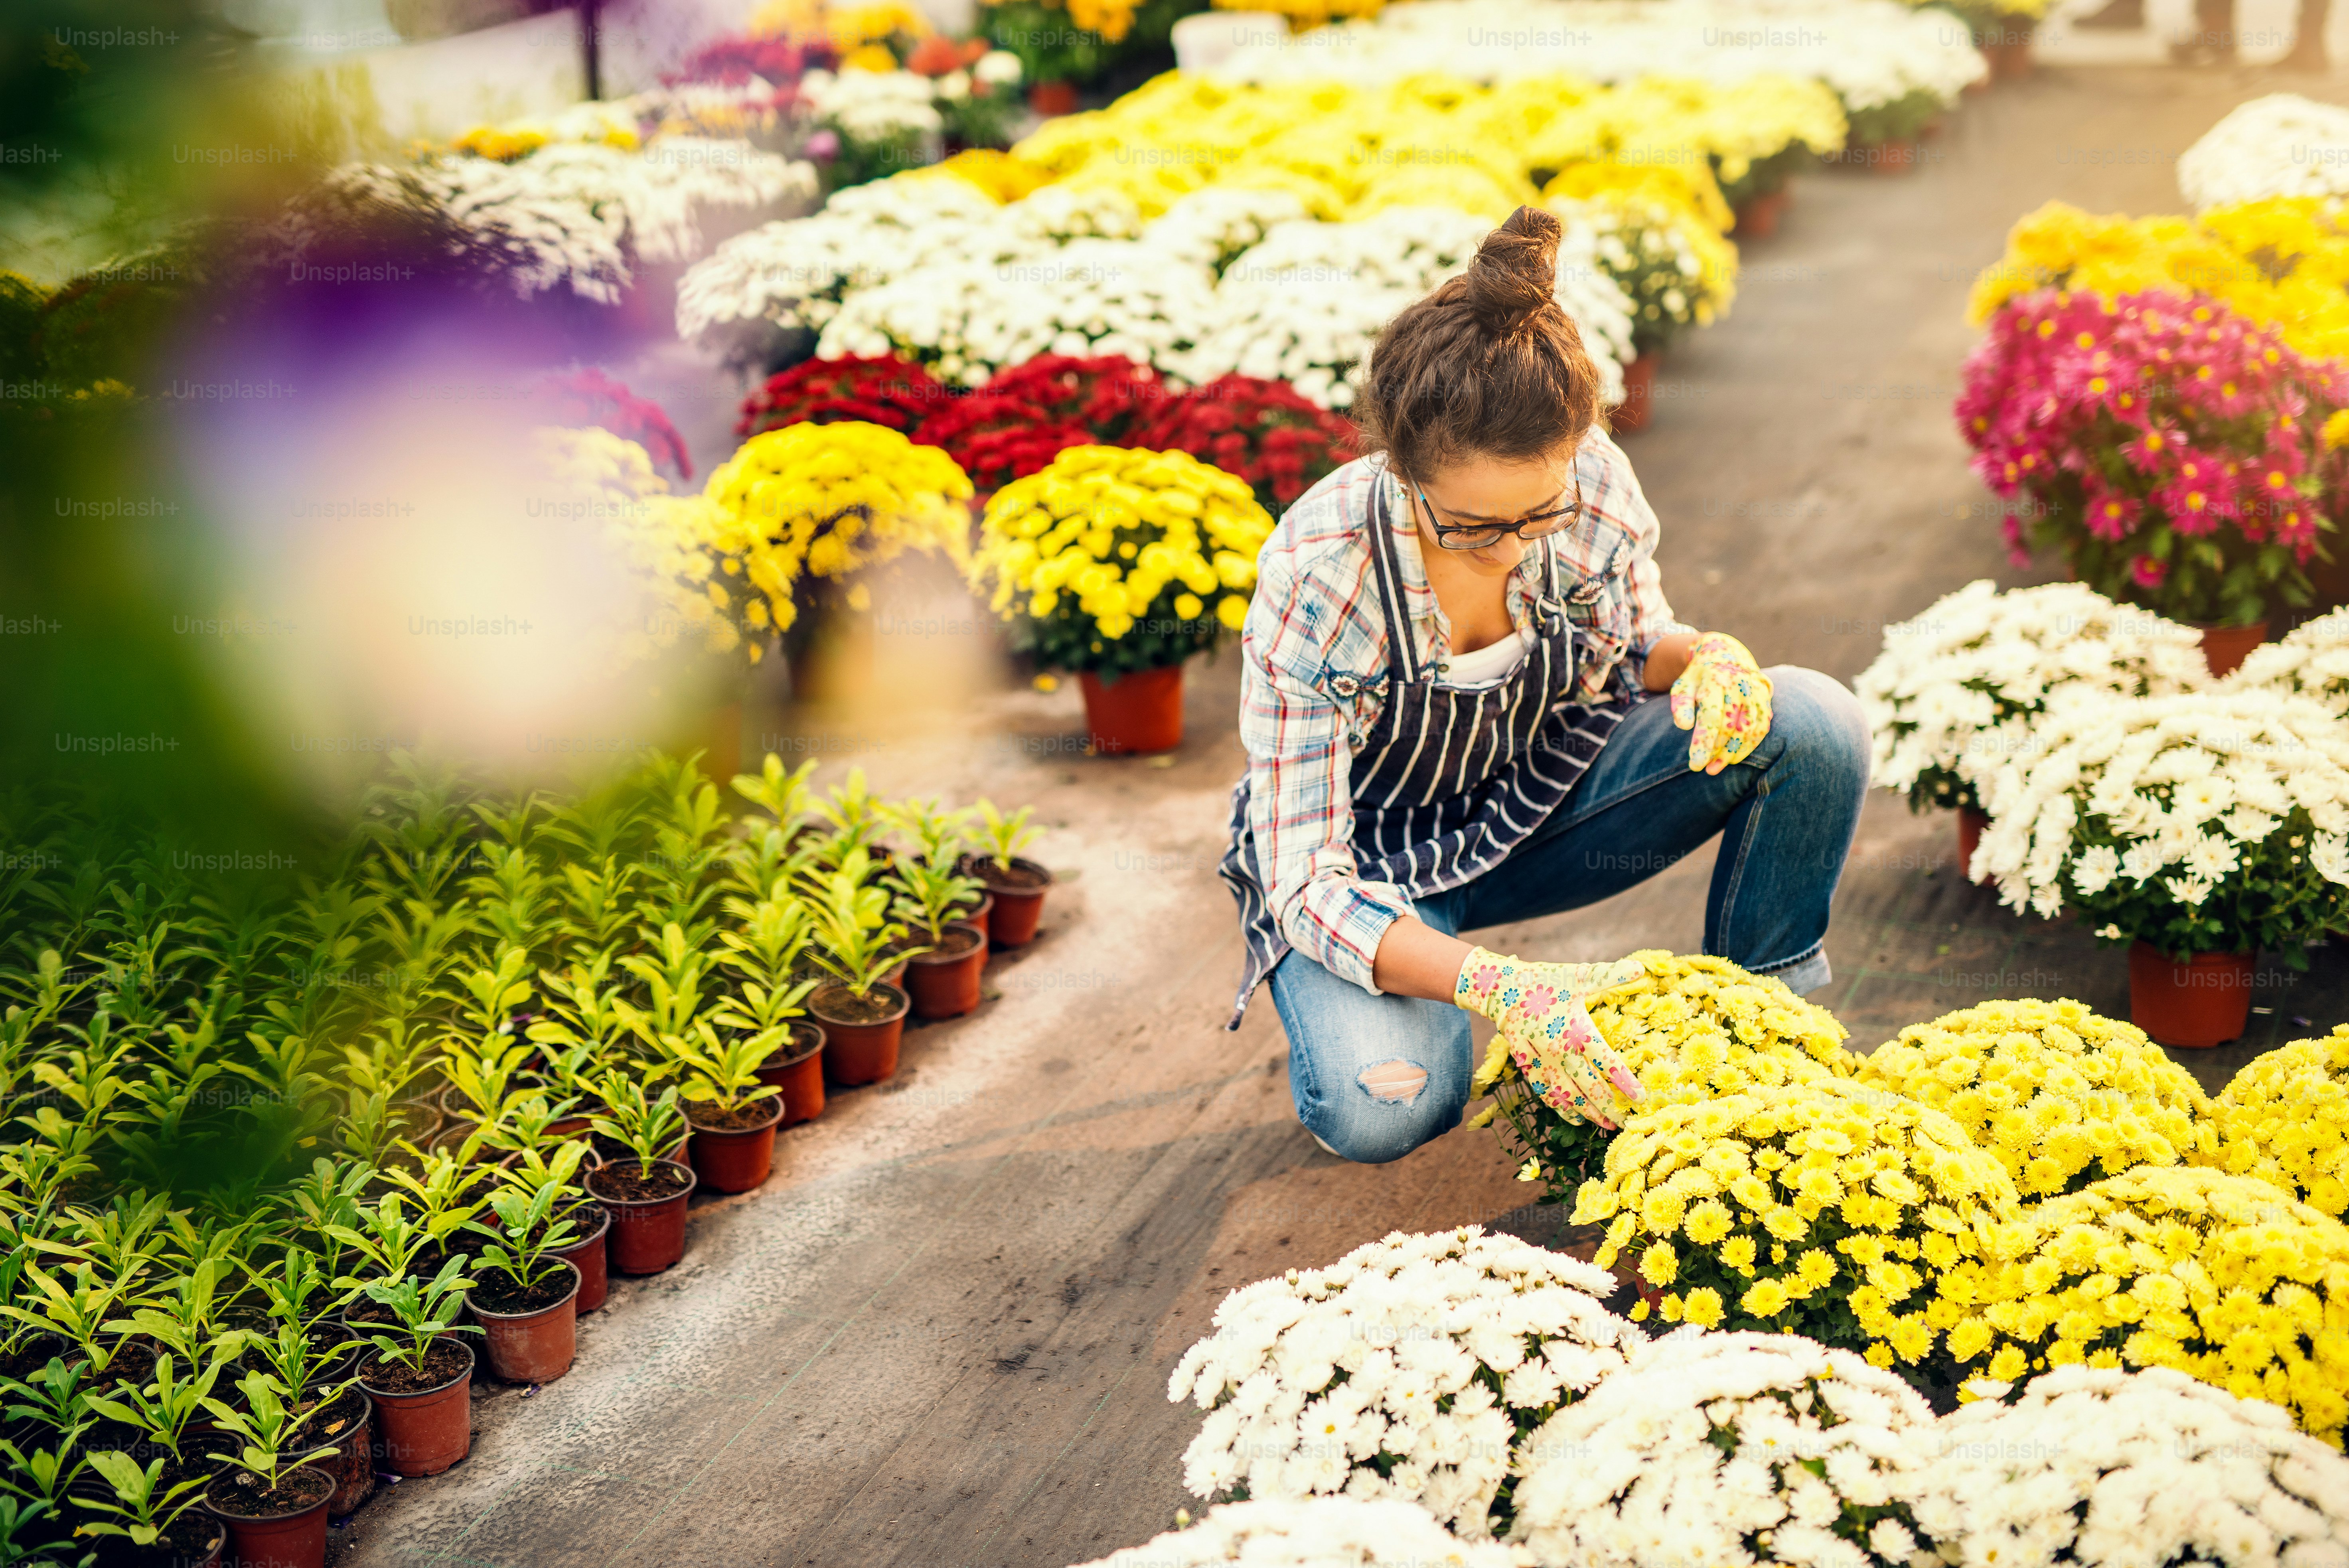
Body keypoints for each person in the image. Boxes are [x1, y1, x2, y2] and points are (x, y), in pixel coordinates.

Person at [1217, 206, 1871, 1165]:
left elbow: (1633, 641)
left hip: (1545, 801)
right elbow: (1306, 879)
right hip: (1376, 869)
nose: (1522, 545)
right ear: (1401, 472)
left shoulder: (1589, 478)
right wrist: (1506, 990)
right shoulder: (1320, 579)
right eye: (1478, 528)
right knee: (1384, 1108)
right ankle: (1408, 1011)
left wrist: (1705, 656)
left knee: (1811, 717)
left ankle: (1763, 1034)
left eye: (1542, 511)